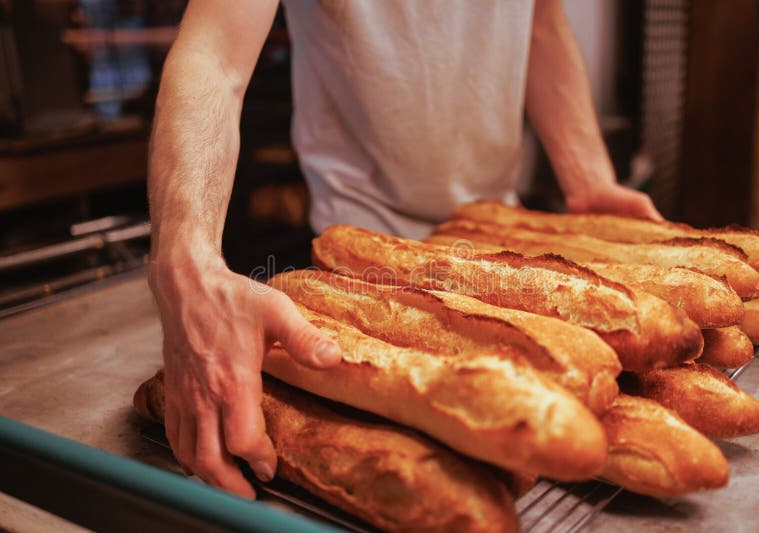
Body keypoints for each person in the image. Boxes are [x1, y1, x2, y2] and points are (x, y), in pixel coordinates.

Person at [147, 0, 662, 499]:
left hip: (498, 241)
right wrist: (187, 264)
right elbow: (214, 56)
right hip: (354, 263)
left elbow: (540, 22)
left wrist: (588, 180)